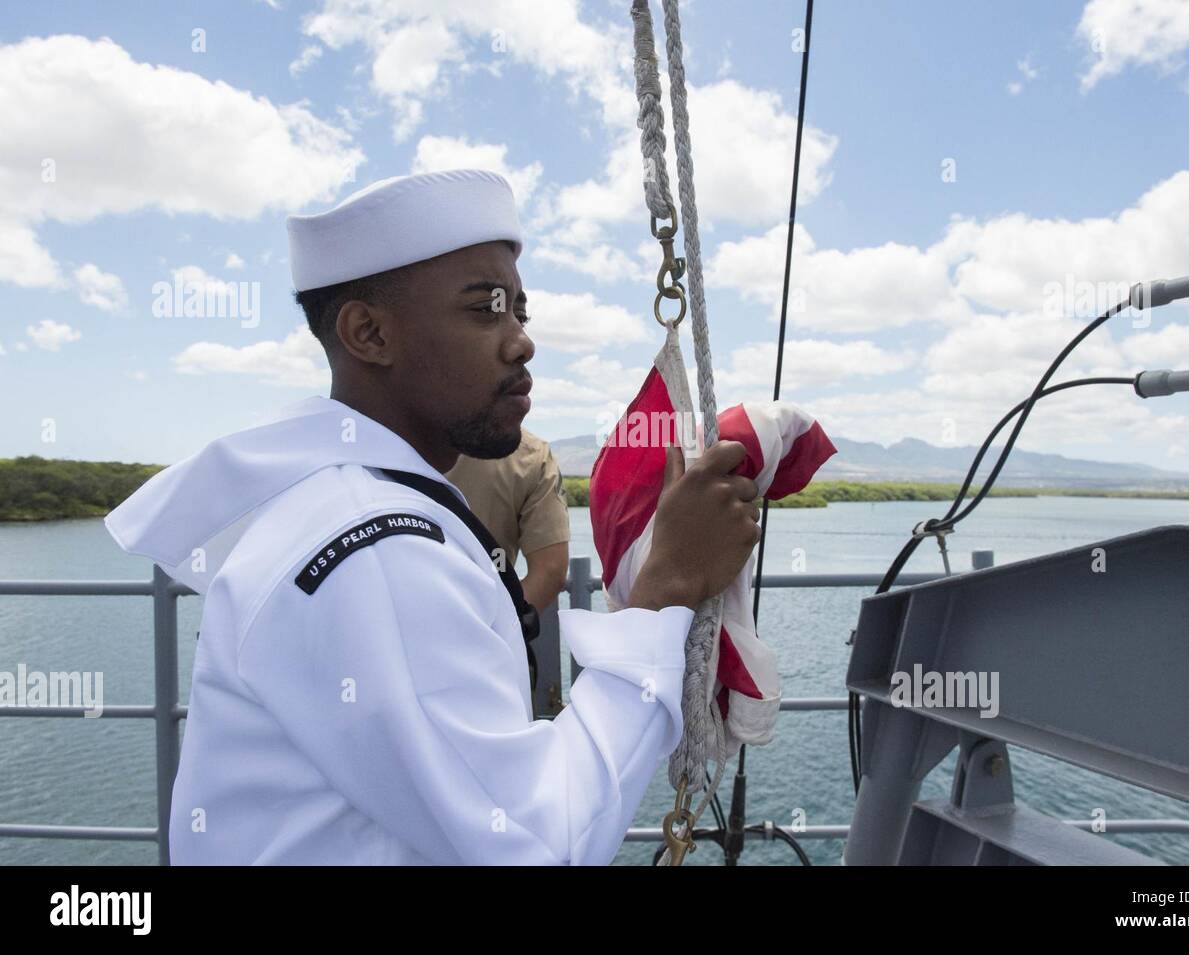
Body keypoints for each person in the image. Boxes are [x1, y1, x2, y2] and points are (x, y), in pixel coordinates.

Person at [103, 169, 760, 865]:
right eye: (486, 310)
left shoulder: (356, 505)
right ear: (369, 333)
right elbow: (538, 839)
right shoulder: (375, 552)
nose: (521, 341)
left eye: (520, 312)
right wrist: (666, 592)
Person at [445, 428, 570, 612]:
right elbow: (550, 570)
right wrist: (496, 627)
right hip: (485, 621)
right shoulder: (531, 454)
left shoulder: (395, 430)